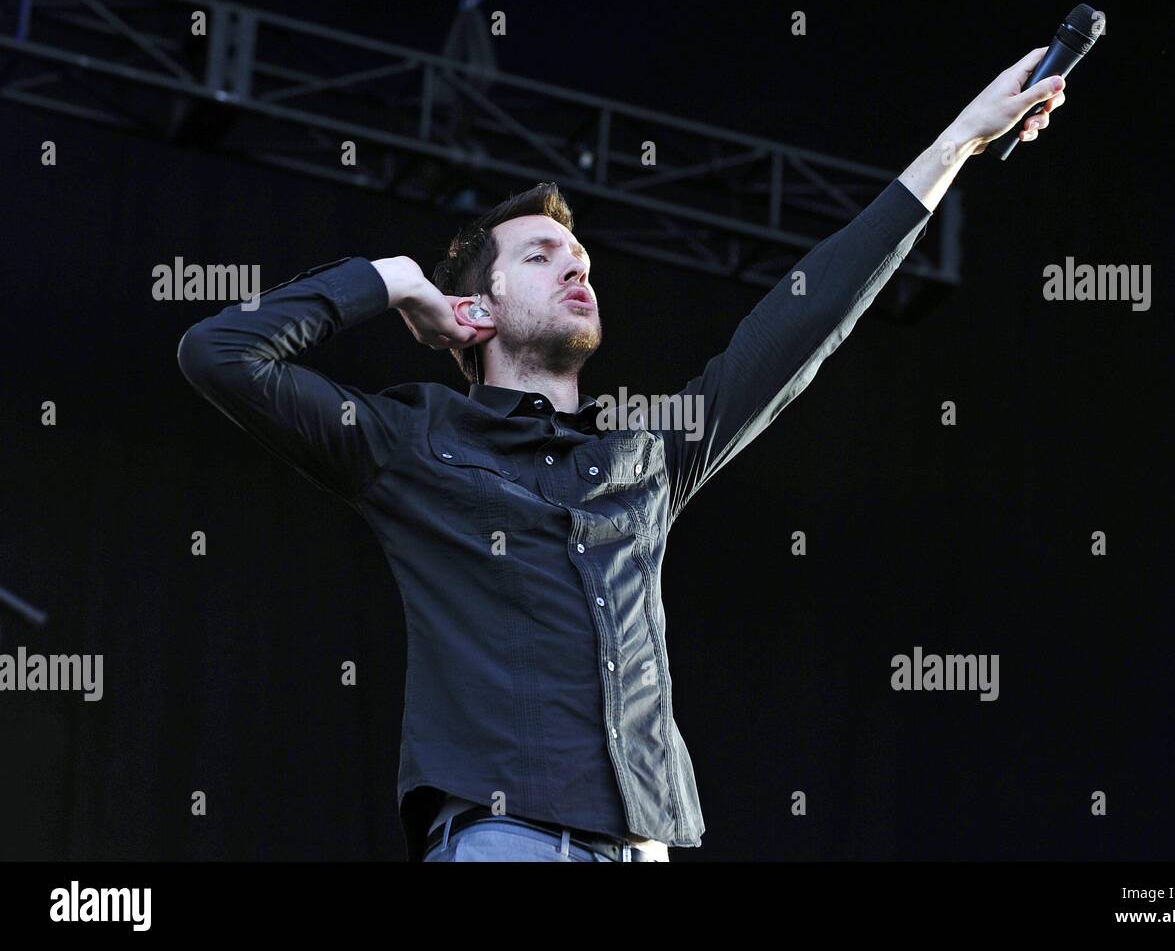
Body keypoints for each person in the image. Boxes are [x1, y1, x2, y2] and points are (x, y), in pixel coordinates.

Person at [176, 48, 1065, 862]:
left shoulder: (645, 454)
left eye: (582, 257)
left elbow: (807, 319)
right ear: (475, 309)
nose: (577, 269)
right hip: (505, 841)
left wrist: (956, 142)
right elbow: (218, 352)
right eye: (541, 256)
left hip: (646, 845)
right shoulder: (409, 441)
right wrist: (391, 279)